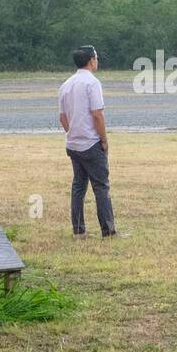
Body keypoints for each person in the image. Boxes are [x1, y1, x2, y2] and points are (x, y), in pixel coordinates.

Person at [58, 45, 119, 238]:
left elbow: (62, 117)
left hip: (73, 144)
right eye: (97, 57)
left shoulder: (66, 84)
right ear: (91, 60)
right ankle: (108, 230)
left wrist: (73, 131)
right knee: (101, 186)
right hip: (91, 143)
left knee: (78, 187)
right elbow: (97, 115)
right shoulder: (92, 83)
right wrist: (104, 140)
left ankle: (78, 230)